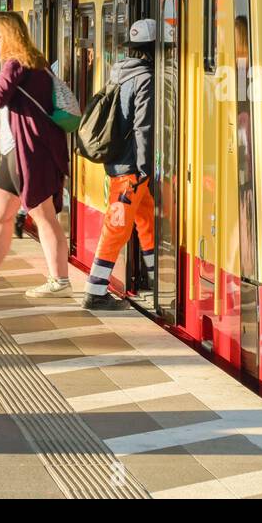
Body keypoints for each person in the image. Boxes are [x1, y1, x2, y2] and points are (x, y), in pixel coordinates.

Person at [0, 12, 74, 297]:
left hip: (29, 150)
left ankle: (60, 280)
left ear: (9, 35)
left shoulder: (16, 63)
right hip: (13, 150)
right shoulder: (35, 63)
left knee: (43, 215)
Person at [80, 18, 157, 310]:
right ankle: (95, 291)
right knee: (117, 227)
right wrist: (145, 166)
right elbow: (143, 127)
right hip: (130, 170)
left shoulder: (119, 72)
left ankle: (153, 275)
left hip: (117, 162)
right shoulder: (146, 78)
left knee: (145, 216)